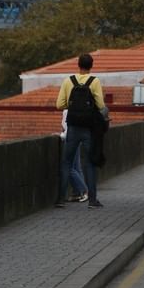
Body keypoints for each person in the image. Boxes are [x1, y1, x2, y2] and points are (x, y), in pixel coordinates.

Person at [54, 53, 108, 208]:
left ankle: (60, 199)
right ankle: (92, 200)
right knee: (90, 163)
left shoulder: (68, 81)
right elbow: (100, 105)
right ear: (91, 65)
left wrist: (73, 106)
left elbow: (59, 104)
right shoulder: (94, 81)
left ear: (78, 64)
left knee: (66, 163)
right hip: (88, 129)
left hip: (72, 127)